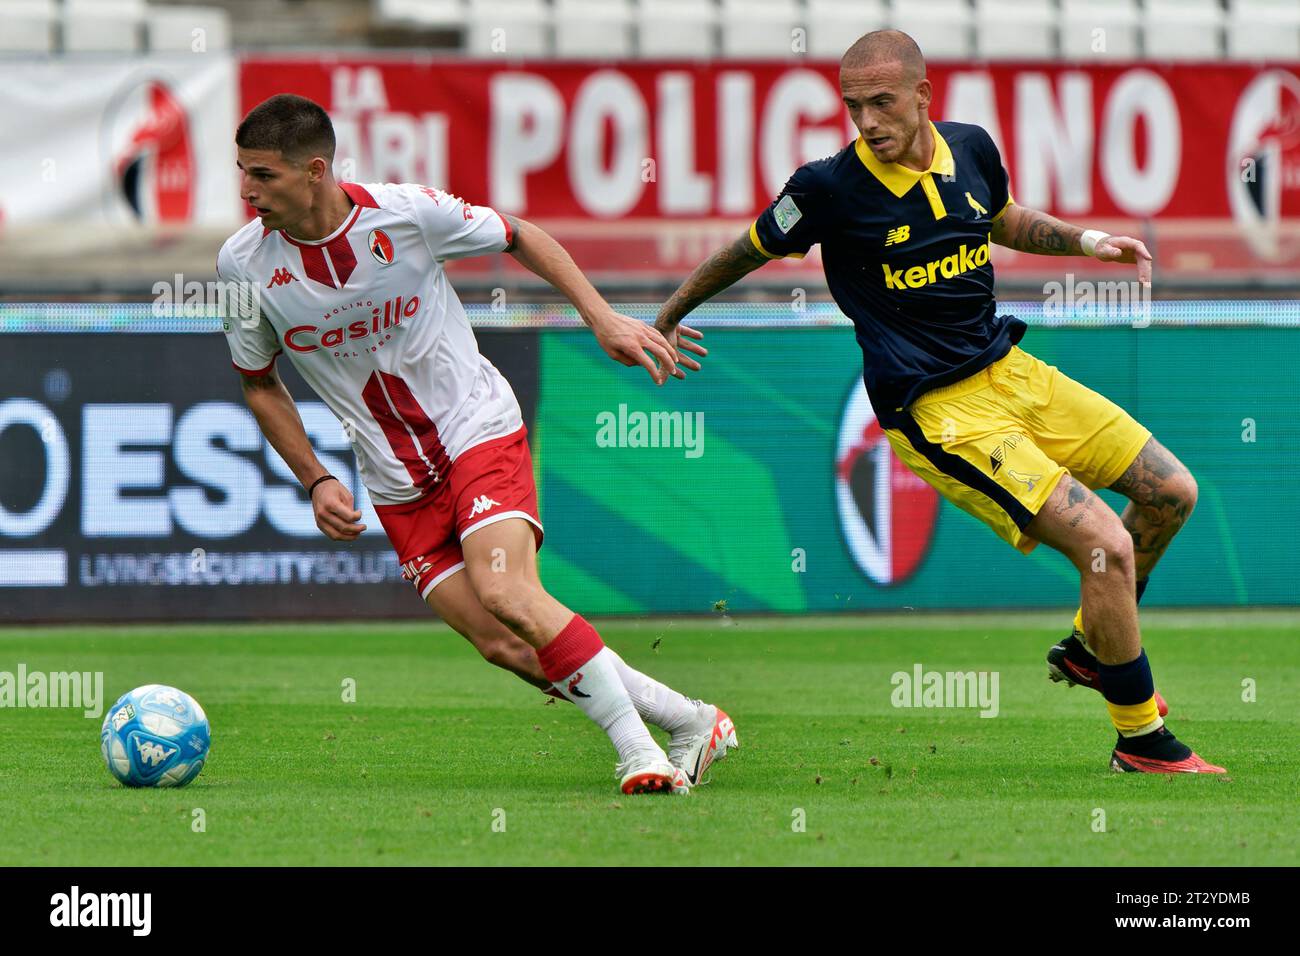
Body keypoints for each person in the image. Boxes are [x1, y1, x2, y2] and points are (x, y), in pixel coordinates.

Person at [653, 31, 1222, 774]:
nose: (866, 121)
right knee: (1104, 548)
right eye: (853, 105)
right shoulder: (826, 189)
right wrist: (669, 314)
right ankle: (1140, 740)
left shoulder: (973, 148)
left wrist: (1087, 240)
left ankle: (1091, 647)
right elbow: (747, 249)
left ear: (924, 96)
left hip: (1010, 371)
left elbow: (1004, 219)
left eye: (882, 102)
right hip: (936, 411)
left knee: (1173, 493)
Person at [218, 93, 734, 794]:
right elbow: (258, 381)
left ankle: (637, 751)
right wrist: (314, 477)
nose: (247, 192)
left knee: (506, 591)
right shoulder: (242, 266)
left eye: (263, 176)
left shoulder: (405, 214)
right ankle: (691, 719)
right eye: (242, 173)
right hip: (395, 483)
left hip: (474, 428)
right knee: (504, 644)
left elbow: (519, 234)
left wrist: (601, 317)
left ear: (315, 171)